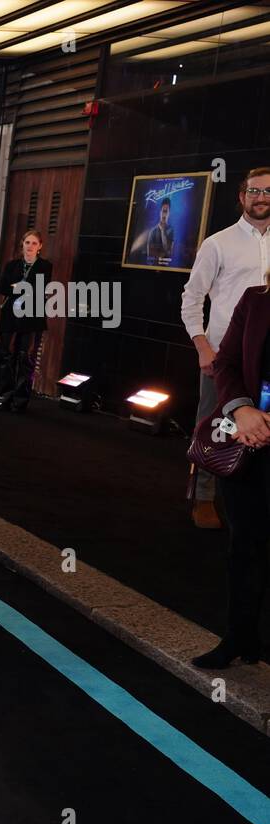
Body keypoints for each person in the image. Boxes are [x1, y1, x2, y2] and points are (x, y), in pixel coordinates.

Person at [182, 166, 270, 530]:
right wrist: (202, 346)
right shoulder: (218, 243)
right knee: (214, 427)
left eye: (268, 192)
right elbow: (191, 297)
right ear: (241, 196)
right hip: (224, 359)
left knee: (260, 431)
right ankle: (203, 496)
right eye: (255, 191)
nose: (262, 197)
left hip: (265, 361)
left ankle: (250, 498)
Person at [197, 275, 270, 669]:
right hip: (248, 439)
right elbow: (225, 362)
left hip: (262, 429)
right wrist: (243, 411)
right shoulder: (255, 299)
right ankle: (240, 638)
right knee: (245, 545)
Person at [0, 228, 54, 412]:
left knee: (26, 358)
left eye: (34, 243)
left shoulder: (45, 266)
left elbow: (38, 289)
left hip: (32, 319)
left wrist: (19, 286)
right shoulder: (11, 265)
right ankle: (5, 397)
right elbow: (3, 287)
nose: (30, 246)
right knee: (7, 358)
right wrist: (22, 287)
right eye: (27, 242)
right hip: (11, 318)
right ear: (22, 244)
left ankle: (20, 402)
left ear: (40, 247)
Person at [146, 197, 175, 263]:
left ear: (169, 213)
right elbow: (149, 253)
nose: (164, 215)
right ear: (160, 212)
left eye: (166, 212)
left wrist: (162, 231)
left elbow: (169, 252)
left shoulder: (171, 231)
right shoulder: (153, 231)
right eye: (163, 211)